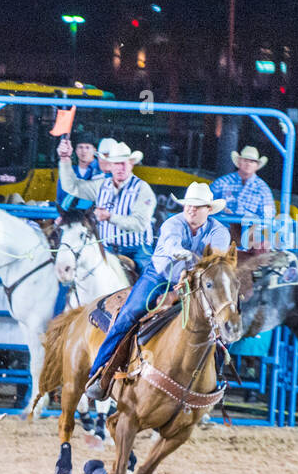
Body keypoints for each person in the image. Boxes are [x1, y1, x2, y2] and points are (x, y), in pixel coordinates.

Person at [84, 182, 231, 400]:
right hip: (160, 276)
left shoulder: (219, 232)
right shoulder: (173, 223)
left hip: (195, 282)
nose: (191, 208)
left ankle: (211, 381)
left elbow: (214, 259)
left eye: (198, 206)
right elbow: (171, 243)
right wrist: (181, 253)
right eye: (189, 204)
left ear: (209, 209)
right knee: (129, 314)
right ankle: (99, 372)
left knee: (218, 321)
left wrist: (193, 265)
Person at [57, 139, 157, 272]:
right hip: (105, 248)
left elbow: (139, 224)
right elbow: (71, 186)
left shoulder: (142, 189)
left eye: (123, 163)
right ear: (111, 165)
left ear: (131, 164)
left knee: (149, 279)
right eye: (116, 163)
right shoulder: (101, 185)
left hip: (137, 250)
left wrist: (110, 217)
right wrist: (65, 159)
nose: (120, 168)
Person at [210, 145, 276, 248]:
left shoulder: (262, 189)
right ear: (239, 162)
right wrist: (219, 210)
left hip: (250, 232)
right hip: (221, 227)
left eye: (252, 161)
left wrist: (252, 229)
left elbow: (269, 214)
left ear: (257, 165)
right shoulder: (222, 182)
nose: (248, 164)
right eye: (245, 160)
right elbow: (206, 202)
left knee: (264, 251)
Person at [56, 135, 106, 210]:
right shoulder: (69, 171)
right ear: (75, 150)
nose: (84, 151)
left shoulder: (101, 170)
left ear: (94, 150)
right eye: (80, 147)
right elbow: (61, 197)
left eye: (87, 147)